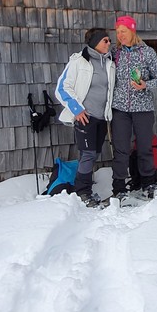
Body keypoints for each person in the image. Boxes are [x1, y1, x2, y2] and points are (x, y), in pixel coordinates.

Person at [55, 28, 115, 205]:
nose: (109, 43)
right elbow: (62, 88)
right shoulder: (79, 61)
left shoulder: (110, 62)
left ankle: (83, 186)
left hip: (102, 117)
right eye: (105, 40)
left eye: (109, 40)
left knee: (93, 153)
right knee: (88, 154)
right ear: (95, 42)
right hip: (85, 116)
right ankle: (83, 192)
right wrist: (77, 110)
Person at [110, 15, 157, 197]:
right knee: (121, 148)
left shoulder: (148, 53)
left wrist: (145, 85)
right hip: (120, 109)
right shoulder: (115, 54)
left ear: (132, 30)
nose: (120, 35)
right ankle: (119, 187)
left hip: (143, 108)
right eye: (117, 32)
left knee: (145, 147)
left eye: (123, 31)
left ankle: (148, 183)